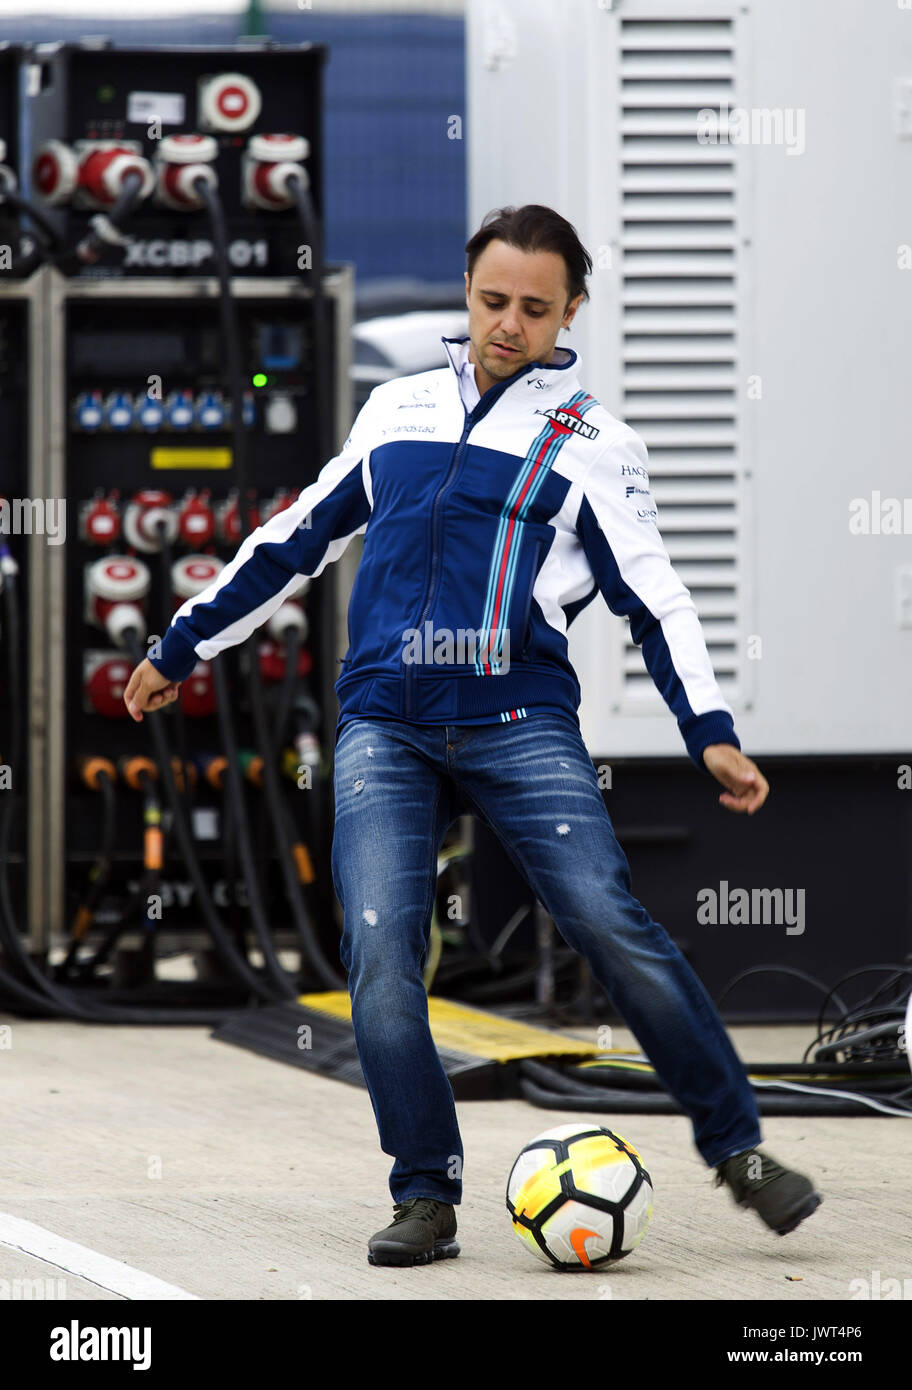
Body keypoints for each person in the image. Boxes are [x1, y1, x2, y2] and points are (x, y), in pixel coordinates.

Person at [123, 204, 821, 1268]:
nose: (509, 325)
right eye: (494, 300)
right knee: (380, 955)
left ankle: (740, 1152)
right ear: (467, 290)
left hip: (519, 720)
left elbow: (656, 597)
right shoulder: (396, 409)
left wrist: (708, 730)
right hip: (385, 724)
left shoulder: (594, 443)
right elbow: (290, 542)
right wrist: (181, 647)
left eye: (536, 309)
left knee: (606, 914)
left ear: (572, 311)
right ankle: (425, 1193)